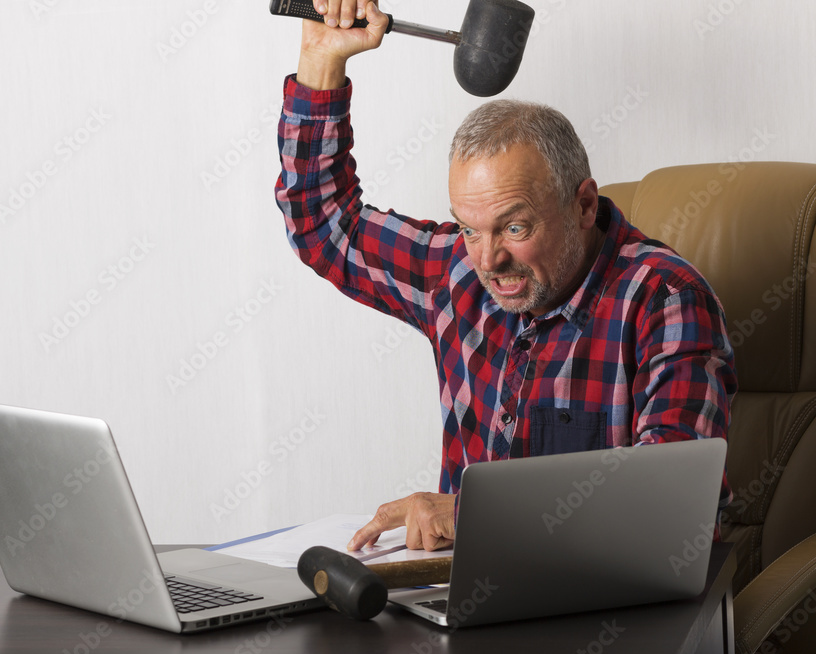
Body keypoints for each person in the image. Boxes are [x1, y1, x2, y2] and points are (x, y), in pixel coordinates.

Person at [274, 0, 737, 552]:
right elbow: (323, 225)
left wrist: (471, 512)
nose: (489, 260)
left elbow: (673, 509)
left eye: (515, 227)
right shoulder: (456, 273)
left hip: (601, 602)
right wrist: (320, 61)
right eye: (470, 229)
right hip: (459, 594)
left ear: (584, 205)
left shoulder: (666, 302)